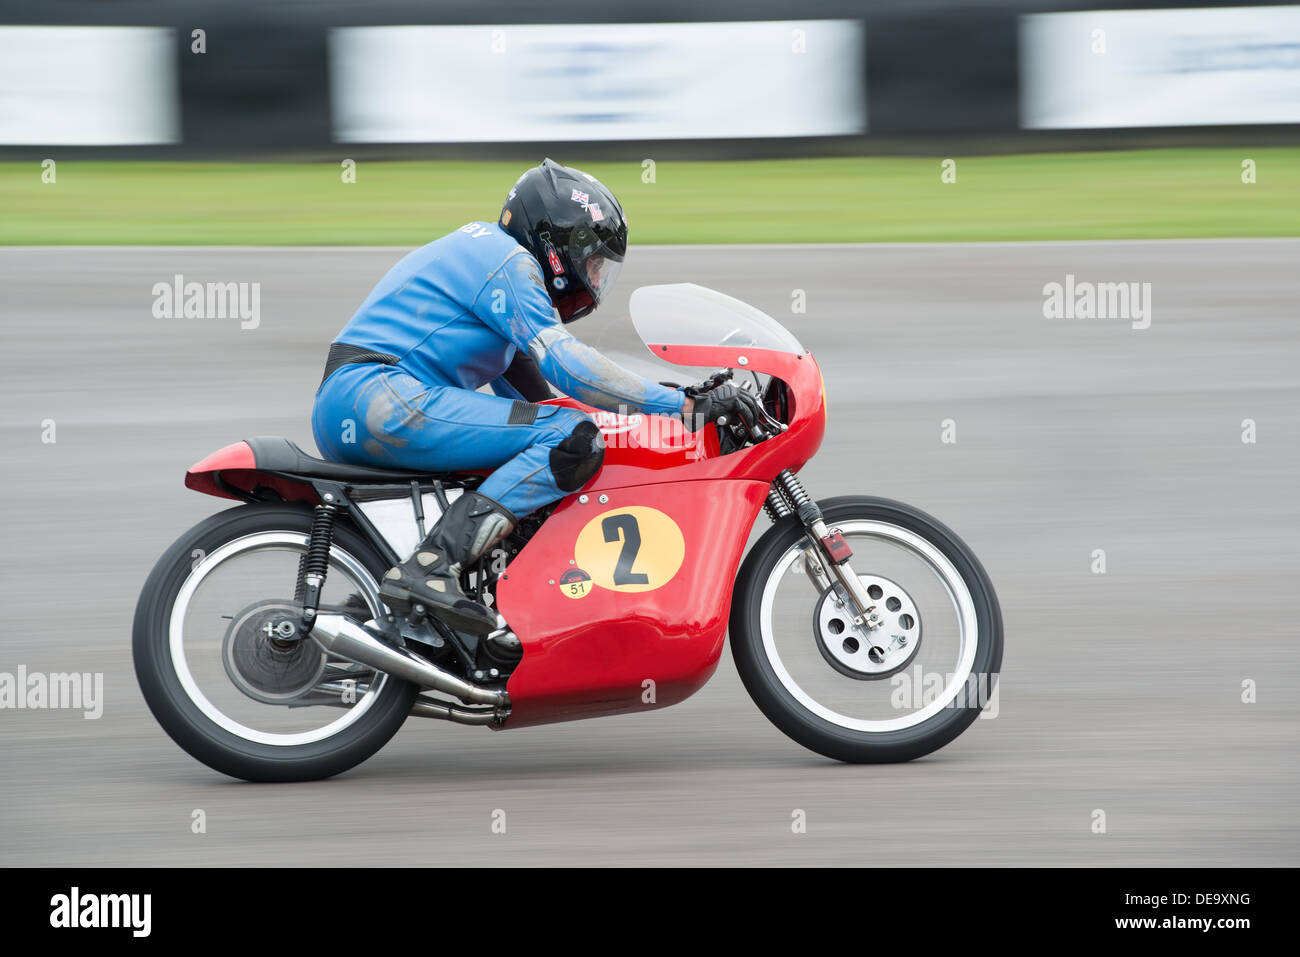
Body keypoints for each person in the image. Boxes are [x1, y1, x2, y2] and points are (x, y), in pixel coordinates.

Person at [312, 158, 759, 638]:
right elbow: (571, 372)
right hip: (377, 396)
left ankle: (398, 614)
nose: (594, 276)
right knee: (571, 441)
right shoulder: (510, 263)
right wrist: (686, 406)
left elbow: (555, 406)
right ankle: (430, 567)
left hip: (365, 401)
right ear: (556, 241)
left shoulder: (493, 280)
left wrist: (660, 405)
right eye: (592, 260)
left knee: (559, 438)